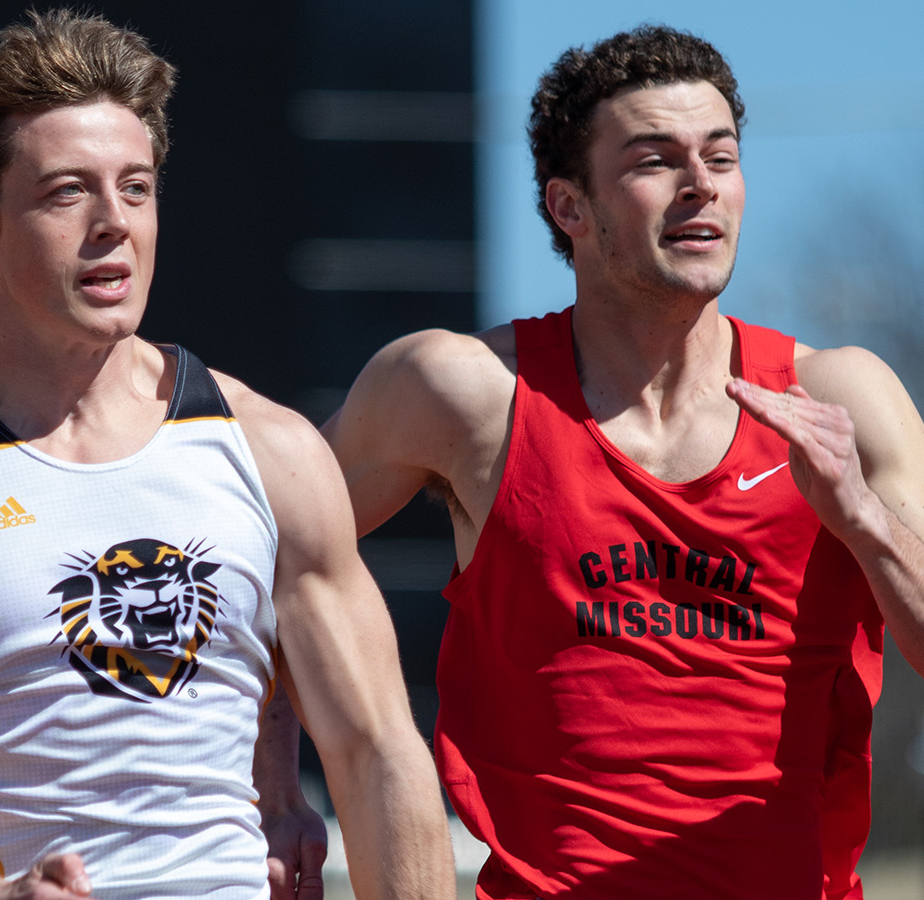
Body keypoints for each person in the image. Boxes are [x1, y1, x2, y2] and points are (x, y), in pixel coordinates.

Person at [0, 9, 453, 900]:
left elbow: (376, 754)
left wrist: (283, 785)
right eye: (66, 192)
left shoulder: (267, 448)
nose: (112, 223)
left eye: (135, 188)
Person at [326, 24, 924, 899]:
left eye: (721, 158)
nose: (700, 187)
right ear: (570, 207)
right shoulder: (464, 392)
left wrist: (861, 519)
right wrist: (274, 783)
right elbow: (253, 559)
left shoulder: (841, 399)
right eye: (656, 161)